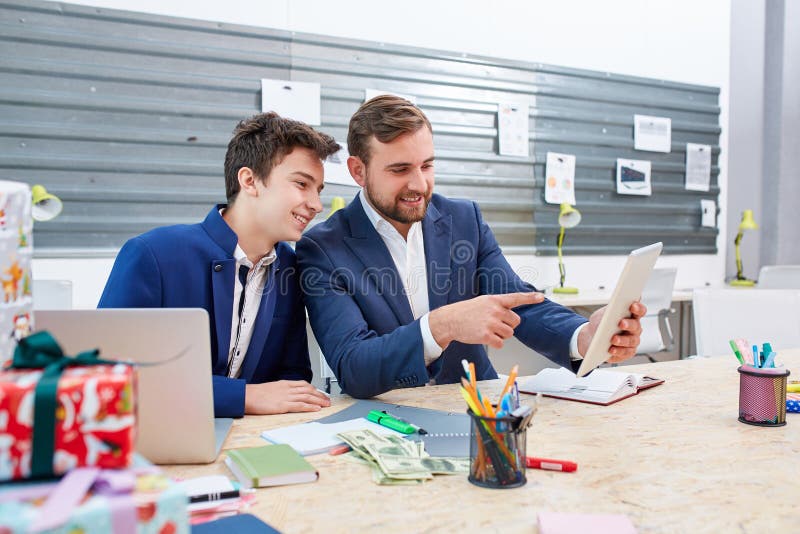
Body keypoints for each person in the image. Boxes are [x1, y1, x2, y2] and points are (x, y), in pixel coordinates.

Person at [296, 95, 645, 399]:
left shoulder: (464, 219)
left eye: (427, 165)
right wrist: (440, 327)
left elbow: (518, 302)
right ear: (358, 171)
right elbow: (353, 366)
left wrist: (583, 337)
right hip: (385, 420)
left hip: (474, 409)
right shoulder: (323, 248)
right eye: (400, 169)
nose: (419, 183)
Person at [99, 112, 338, 417]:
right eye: (302, 184)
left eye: (319, 191)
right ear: (249, 180)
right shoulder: (153, 254)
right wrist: (241, 396)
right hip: (161, 439)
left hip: (253, 443)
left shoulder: (291, 268)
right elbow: (107, 375)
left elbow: (291, 379)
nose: (317, 204)